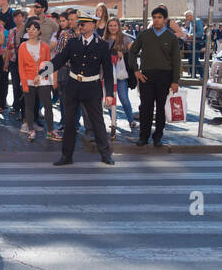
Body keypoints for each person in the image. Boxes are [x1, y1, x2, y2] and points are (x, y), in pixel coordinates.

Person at [46, 14, 115, 166]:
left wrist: (109, 93)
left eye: (84, 24)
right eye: (80, 24)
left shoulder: (102, 45)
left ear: (93, 26)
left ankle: (105, 155)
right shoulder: (72, 43)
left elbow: (108, 72)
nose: (80, 26)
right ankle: (66, 156)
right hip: (73, 87)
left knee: (97, 123)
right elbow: (60, 59)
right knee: (70, 124)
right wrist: (43, 72)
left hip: (92, 87)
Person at [127, 5, 182, 148]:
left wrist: (175, 81)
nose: (157, 20)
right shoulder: (144, 35)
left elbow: (176, 60)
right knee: (145, 108)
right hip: (146, 76)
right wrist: (136, 71)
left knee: (161, 109)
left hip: (165, 76)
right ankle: (143, 137)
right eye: (154, 18)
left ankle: (158, 137)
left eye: (159, 18)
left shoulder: (171, 37)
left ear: (165, 20)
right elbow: (132, 52)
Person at [17, 19, 56, 142]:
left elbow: (47, 64)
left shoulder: (44, 46)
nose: (31, 31)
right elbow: (21, 67)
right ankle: (30, 130)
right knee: (29, 106)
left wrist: (45, 78)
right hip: (28, 80)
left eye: (34, 29)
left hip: (43, 80)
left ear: (39, 31)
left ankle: (50, 131)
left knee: (48, 106)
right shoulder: (23, 47)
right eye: (29, 29)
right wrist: (24, 83)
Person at [104, 16, 137, 139]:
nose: (113, 28)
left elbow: (134, 52)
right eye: (110, 25)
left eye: (115, 25)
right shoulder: (104, 39)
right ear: (107, 27)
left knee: (123, 98)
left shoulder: (125, 39)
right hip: (108, 74)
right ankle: (114, 121)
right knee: (109, 99)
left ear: (119, 26)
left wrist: (123, 54)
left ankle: (131, 120)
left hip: (121, 74)